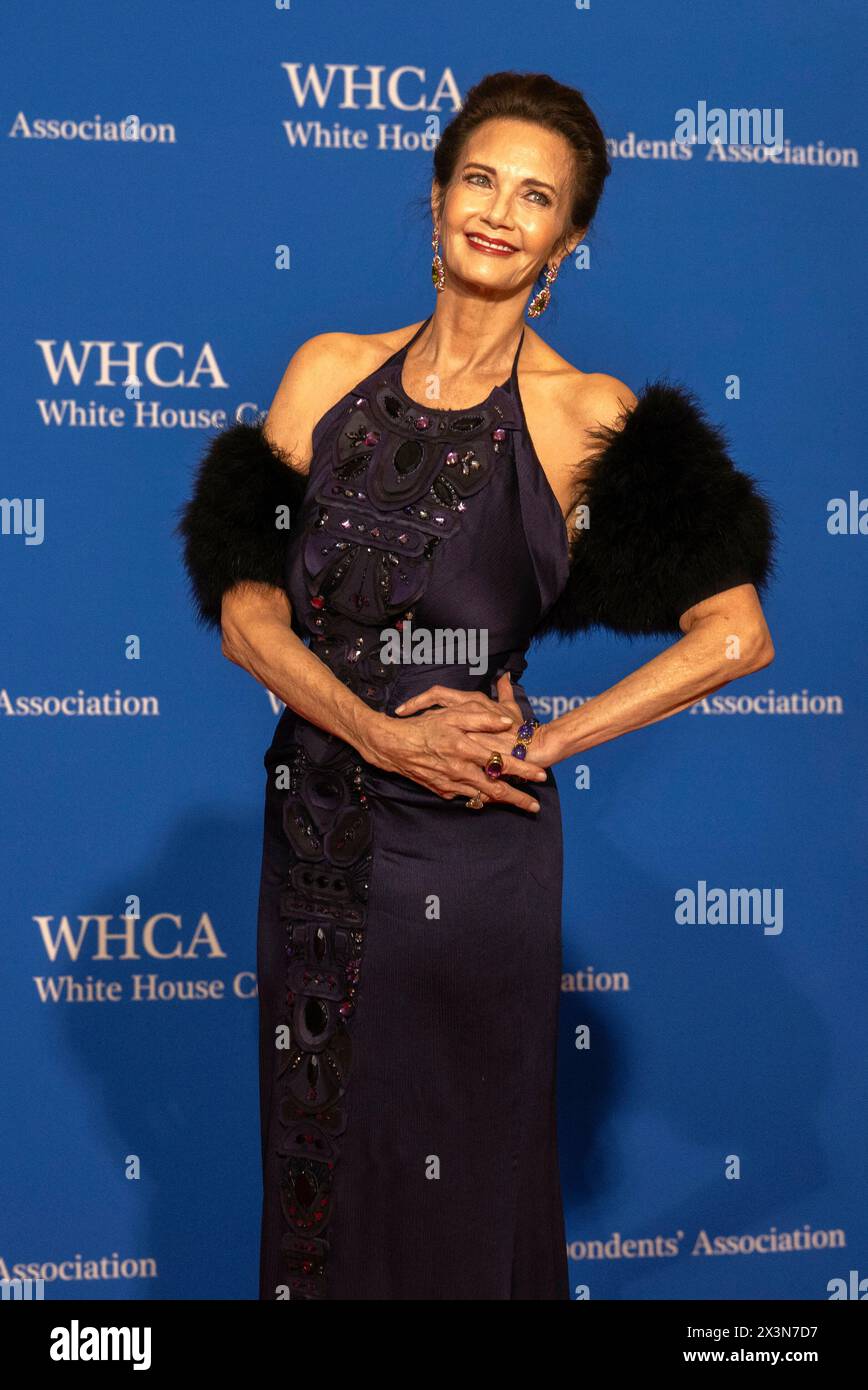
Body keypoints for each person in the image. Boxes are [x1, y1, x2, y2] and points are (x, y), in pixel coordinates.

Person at [177, 70, 777, 1301]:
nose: (500, 213)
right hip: (316, 837)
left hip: (465, 849)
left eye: (537, 198)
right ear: (438, 196)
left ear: (568, 240)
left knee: (450, 1174)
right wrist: (370, 735)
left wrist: (541, 746)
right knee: (316, 1168)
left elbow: (734, 636)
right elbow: (246, 611)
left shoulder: (583, 415)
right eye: (481, 181)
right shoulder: (324, 374)